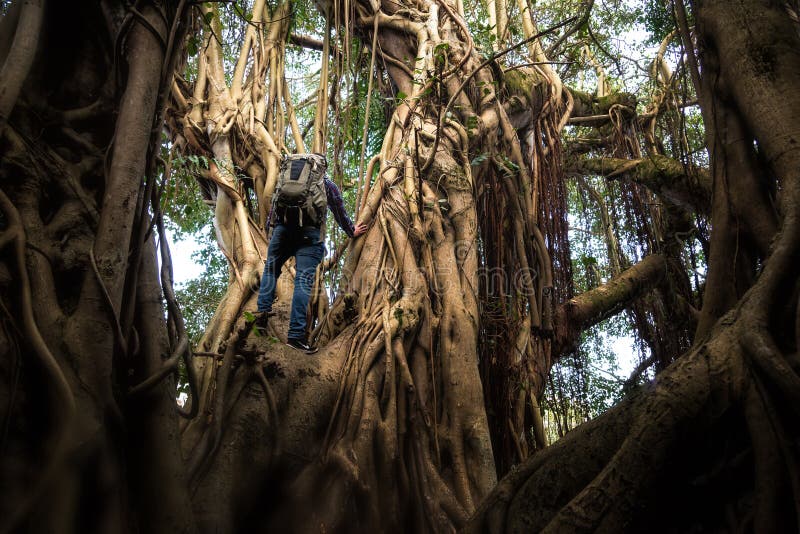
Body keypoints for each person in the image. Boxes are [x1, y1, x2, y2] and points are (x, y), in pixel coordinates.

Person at [254, 161, 367, 354]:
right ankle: (295, 337)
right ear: (321, 167)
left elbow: (273, 207)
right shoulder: (325, 183)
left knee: (270, 270)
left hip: (281, 232)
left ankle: (260, 318)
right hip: (309, 235)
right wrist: (351, 230)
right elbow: (338, 208)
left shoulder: (284, 179)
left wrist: (271, 233)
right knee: (303, 282)